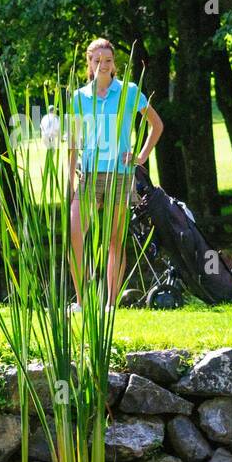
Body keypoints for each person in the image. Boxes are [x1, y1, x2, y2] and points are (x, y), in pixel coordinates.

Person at [68, 38, 163, 306]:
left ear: (114, 64)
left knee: (114, 241)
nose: (103, 65)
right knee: (75, 236)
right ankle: (83, 302)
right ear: (89, 63)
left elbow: (156, 125)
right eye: (97, 61)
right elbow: (73, 142)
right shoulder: (79, 98)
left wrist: (141, 156)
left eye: (108, 61)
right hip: (87, 176)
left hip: (119, 175)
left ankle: (110, 306)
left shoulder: (129, 92)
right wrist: (68, 180)